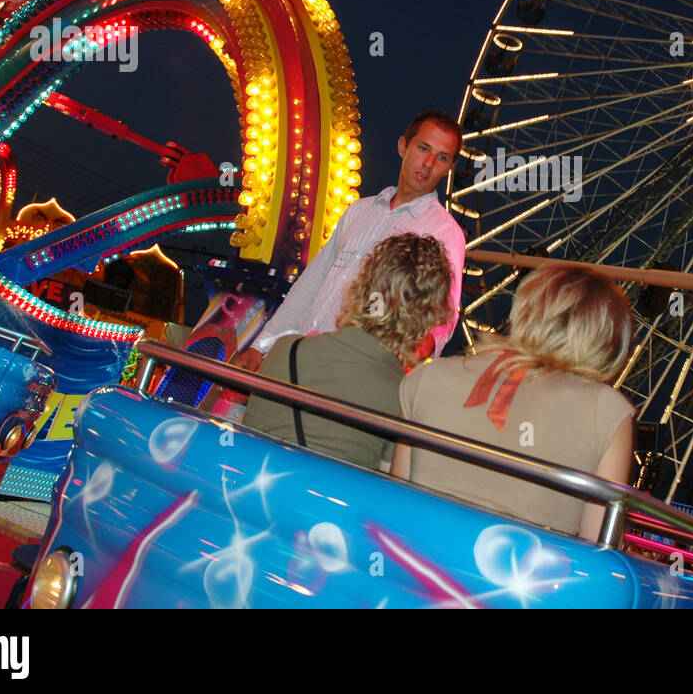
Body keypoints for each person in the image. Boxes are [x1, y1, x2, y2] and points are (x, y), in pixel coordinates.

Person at [391, 263, 635, 543]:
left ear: (524, 310)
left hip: (417, 564)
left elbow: (399, 502)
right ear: (610, 340)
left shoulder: (427, 376)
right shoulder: (608, 412)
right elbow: (599, 547)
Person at [233, 110, 465, 372]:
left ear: (449, 167)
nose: (429, 163)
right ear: (403, 146)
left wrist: (399, 363)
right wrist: (261, 345)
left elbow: (443, 318)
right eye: (424, 148)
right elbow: (313, 282)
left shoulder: (443, 233)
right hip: (297, 355)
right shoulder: (358, 211)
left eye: (442, 157)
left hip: (352, 371)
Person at [240, 234, 451, 471]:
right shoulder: (402, 398)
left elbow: (246, 443)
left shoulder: (286, 349)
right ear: (426, 318)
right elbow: (388, 488)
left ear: (362, 287)